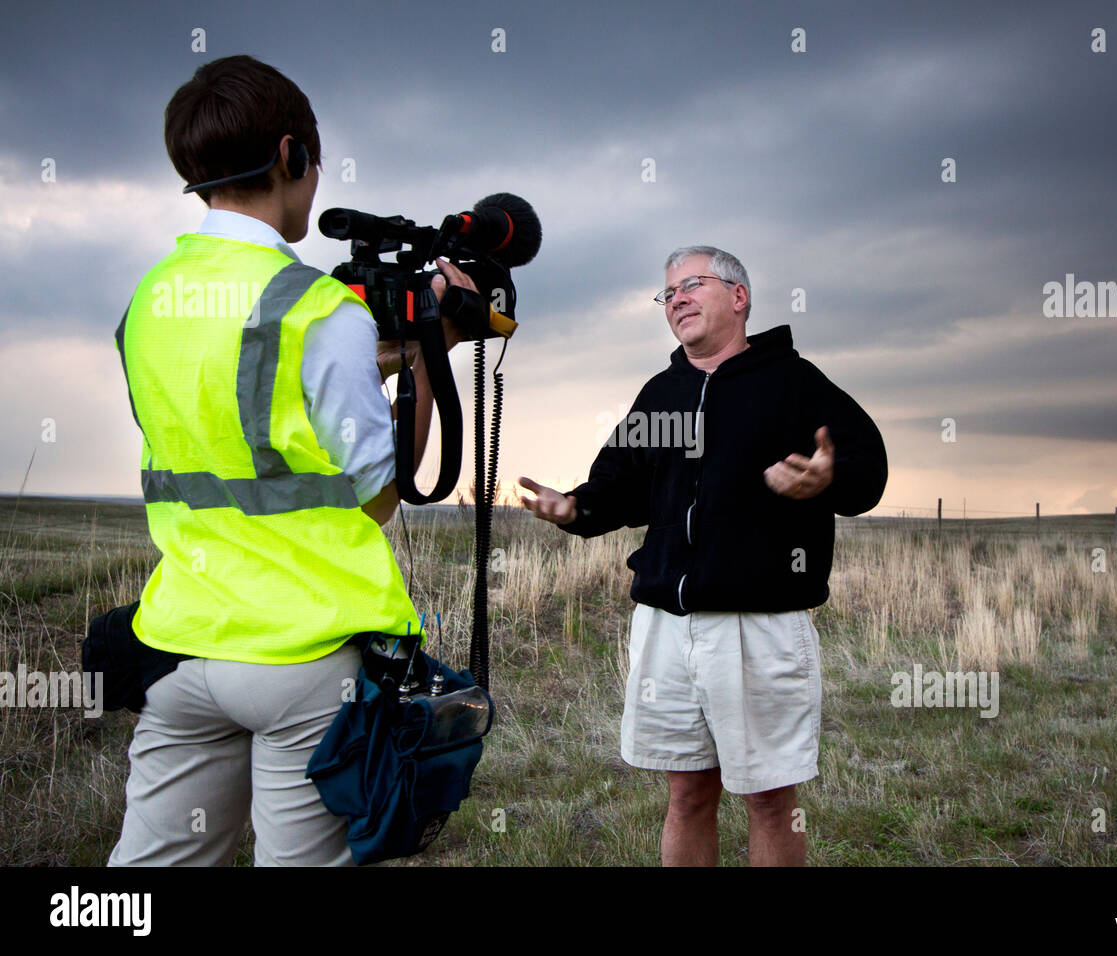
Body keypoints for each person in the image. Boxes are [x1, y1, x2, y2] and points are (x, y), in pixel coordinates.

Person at [108, 55, 477, 866]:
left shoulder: (148, 302)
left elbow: (239, 428)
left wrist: (366, 360)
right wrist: (426, 356)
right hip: (302, 656)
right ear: (291, 155)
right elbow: (379, 495)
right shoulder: (315, 306)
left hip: (181, 641)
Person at [519, 246, 888, 865]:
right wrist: (575, 508)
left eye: (692, 285)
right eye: (668, 294)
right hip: (666, 624)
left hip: (758, 624)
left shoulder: (794, 384)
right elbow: (619, 486)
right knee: (687, 794)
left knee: (769, 799)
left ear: (739, 297)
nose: (677, 300)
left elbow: (865, 469)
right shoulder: (660, 393)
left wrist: (828, 479)